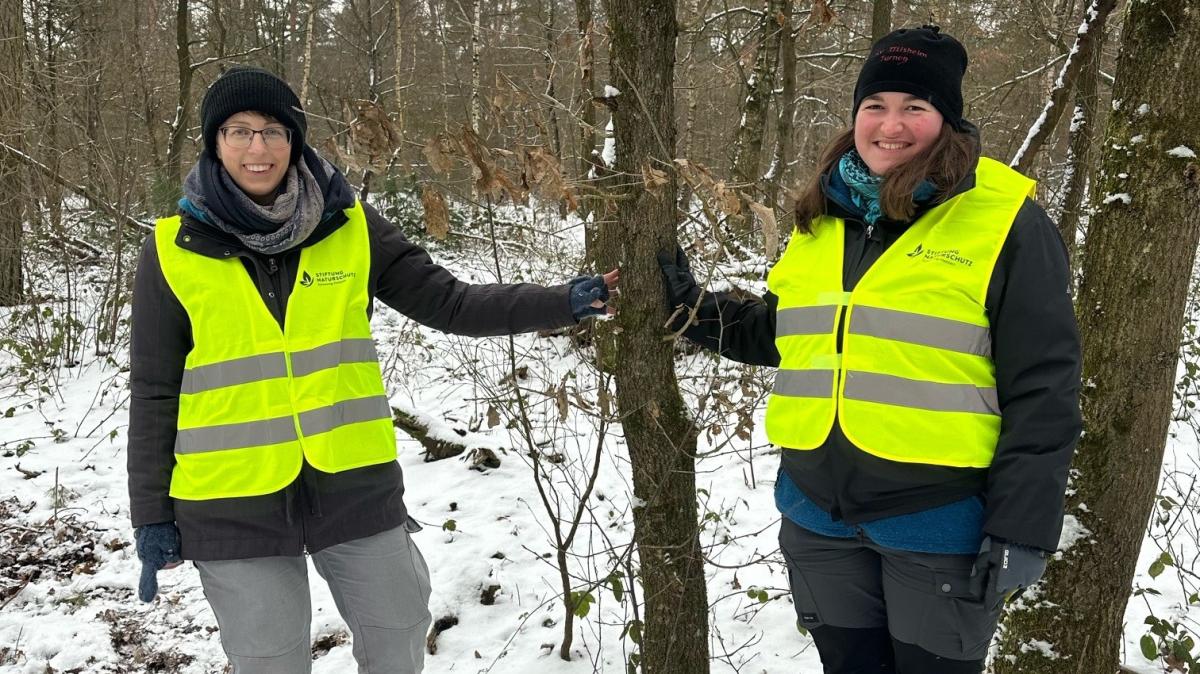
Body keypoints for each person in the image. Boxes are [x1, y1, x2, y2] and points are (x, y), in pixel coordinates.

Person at [127, 65, 617, 674]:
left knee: (400, 630)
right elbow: (153, 390)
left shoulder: (349, 225)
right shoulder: (172, 250)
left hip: (352, 482)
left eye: (275, 131)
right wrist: (150, 513)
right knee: (268, 658)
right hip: (231, 497)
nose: (259, 148)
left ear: (296, 140)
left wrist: (562, 301)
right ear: (214, 141)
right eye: (239, 131)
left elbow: (450, 301)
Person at [658, 26, 1081, 674]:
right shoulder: (822, 219)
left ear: (947, 119)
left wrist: (1024, 524)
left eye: (915, 106)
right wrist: (690, 311)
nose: (892, 124)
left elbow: (1045, 385)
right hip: (816, 517)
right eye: (875, 105)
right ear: (855, 117)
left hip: (938, 529)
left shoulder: (1006, 223)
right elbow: (786, 335)